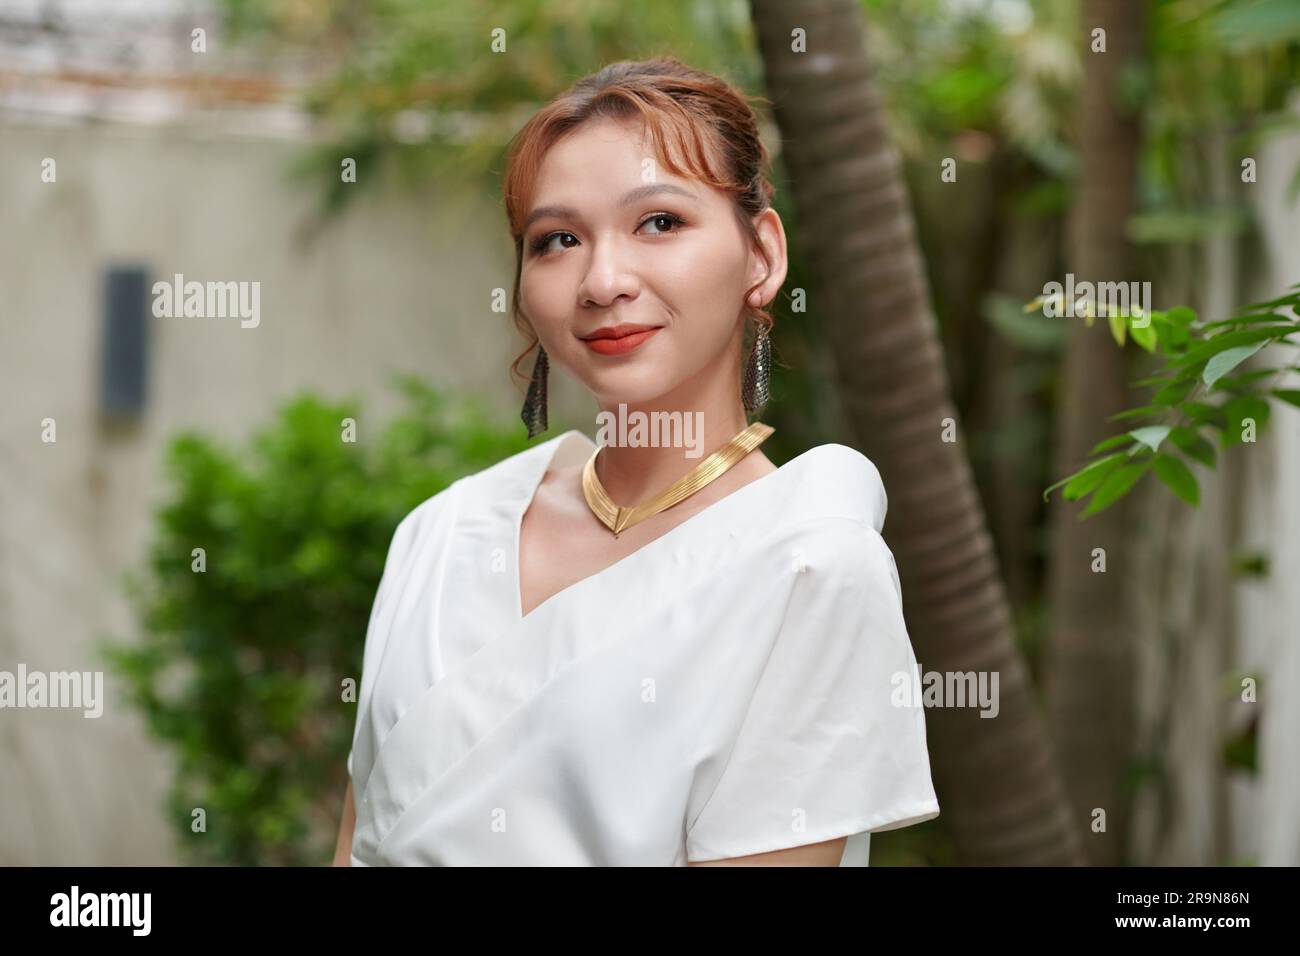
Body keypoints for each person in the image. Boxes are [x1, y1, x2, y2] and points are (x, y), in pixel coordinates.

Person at [334, 56, 939, 867]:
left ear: (761, 254)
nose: (603, 280)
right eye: (557, 240)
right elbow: (358, 840)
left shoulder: (810, 567)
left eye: (659, 222)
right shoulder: (441, 535)